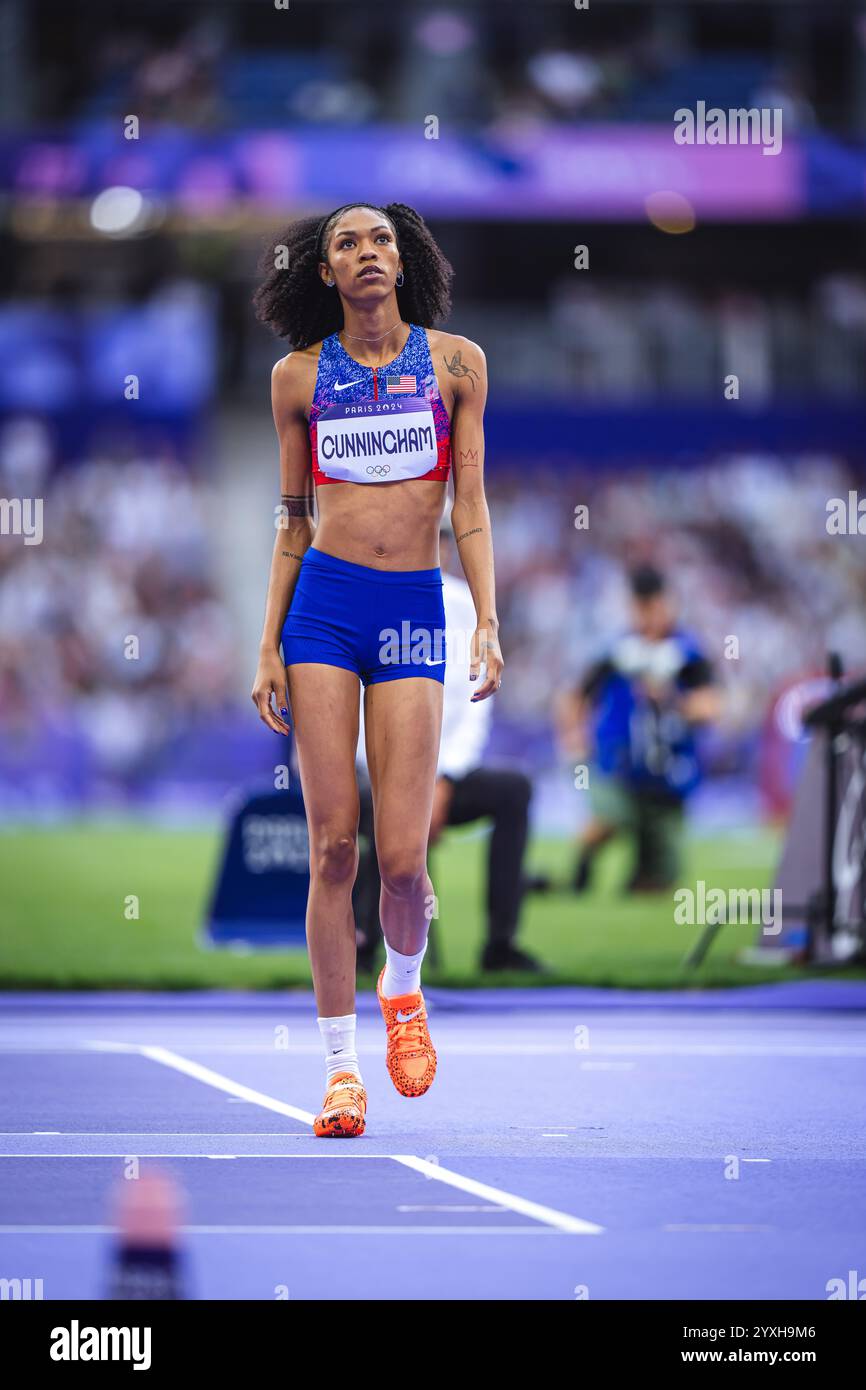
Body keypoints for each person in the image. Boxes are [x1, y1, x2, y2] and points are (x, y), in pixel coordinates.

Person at [250, 202, 503, 1137]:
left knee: (402, 862)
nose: (365, 253)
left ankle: (404, 995)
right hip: (324, 608)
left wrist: (485, 617)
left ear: (405, 261)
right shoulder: (296, 379)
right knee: (332, 849)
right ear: (324, 273)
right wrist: (268, 642)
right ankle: (339, 1072)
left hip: (411, 612)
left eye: (380, 240)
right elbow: (291, 519)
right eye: (345, 244)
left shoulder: (456, 363)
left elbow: (469, 503)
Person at [354, 516, 544, 975]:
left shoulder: (466, 608)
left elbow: (477, 700)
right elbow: (356, 703)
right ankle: (358, 945)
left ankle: (500, 944)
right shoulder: (371, 604)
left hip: (446, 774)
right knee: (373, 809)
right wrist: (397, 780)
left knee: (513, 790)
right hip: (379, 773)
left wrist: (441, 778)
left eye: (438, 541)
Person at [555, 565, 720, 893]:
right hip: (617, 766)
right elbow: (574, 697)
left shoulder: (687, 654)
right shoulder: (618, 651)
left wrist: (672, 700)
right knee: (610, 816)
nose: (649, 616)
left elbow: (711, 707)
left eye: (655, 605)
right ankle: (579, 871)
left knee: (659, 882)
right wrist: (573, 735)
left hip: (666, 777)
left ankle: (641, 871)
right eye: (642, 607)